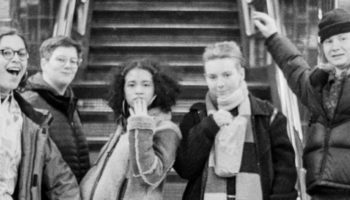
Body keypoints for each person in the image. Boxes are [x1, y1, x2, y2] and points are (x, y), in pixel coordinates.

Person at [173, 41, 297, 200]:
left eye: (227, 75)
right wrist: (209, 127)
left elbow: (285, 171)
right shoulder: (196, 116)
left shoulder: (267, 116)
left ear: (241, 74)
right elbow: (185, 169)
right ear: (205, 78)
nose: (220, 84)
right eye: (212, 77)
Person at [253, 8, 350, 200]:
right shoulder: (319, 84)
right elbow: (293, 65)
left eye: (342, 38)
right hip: (320, 189)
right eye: (329, 41)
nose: (335, 46)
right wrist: (273, 36)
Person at [80, 58, 182, 200]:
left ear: (157, 90)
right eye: (131, 85)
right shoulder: (123, 127)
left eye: (146, 85)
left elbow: (152, 176)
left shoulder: (166, 129)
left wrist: (142, 127)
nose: (138, 91)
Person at [0, 30, 80, 199]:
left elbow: (61, 180)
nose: (16, 59)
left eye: (21, 54)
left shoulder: (30, 118)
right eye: (6, 52)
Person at [20, 36, 90, 182]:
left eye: (73, 61)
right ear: (44, 63)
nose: (68, 66)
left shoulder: (68, 101)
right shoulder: (29, 103)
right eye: (61, 60)